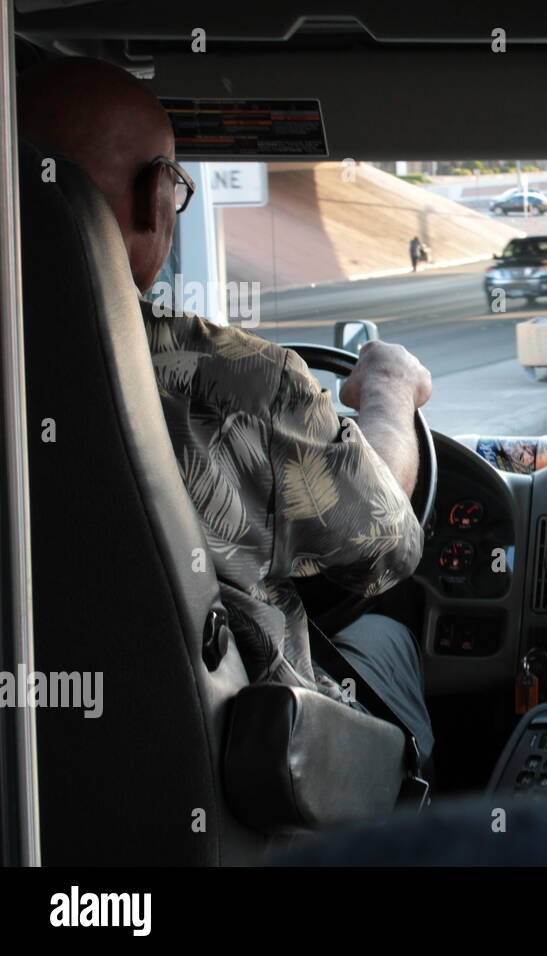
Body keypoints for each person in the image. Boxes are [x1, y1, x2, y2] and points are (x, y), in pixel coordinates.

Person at [17, 57, 436, 765]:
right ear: (156, 198)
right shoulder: (239, 384)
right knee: (390, 640)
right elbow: (384, 545)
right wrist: (391, 392)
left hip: (35, 786)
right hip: (217, 784)